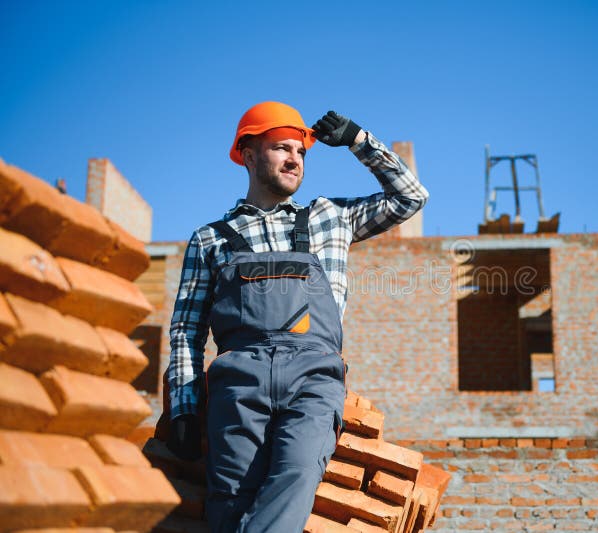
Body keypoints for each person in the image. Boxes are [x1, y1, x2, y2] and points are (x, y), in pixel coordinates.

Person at [165, 101, 429, 533]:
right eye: (281, 149)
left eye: (301, 152)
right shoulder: (210, 240)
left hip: (313, 377)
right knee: (228, 505)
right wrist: (183, 408)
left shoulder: (331, 218)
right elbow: (185, 332)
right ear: (248, 155)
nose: (294, 159)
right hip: (238, 382)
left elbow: (410, 197)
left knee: (297, 474)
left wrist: (359, 142)